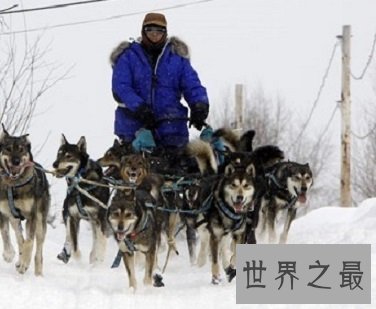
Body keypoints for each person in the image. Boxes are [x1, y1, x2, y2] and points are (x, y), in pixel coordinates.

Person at [110, 12, 209, 153]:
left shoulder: (177, 58)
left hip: (172, 129)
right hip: (134, 130)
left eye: (159, 31)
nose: (154, 35)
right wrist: (140, 108)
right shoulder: (128, 56)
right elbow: (121, 87)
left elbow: (192, 85)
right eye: (150, 30)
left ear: (165, 32)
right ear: (143, 31)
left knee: (175, 173)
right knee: (133, 172)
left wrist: (199, 105)